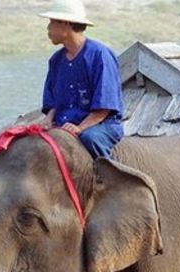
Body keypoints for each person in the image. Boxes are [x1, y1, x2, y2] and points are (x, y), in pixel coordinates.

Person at [39, 0, 125, 159]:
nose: (48, 28)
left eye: (51, 22)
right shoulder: (56, 61)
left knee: (90, 138)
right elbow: (53, 103)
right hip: (64, 123)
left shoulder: (100, 55)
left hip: (100, 124)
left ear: (65, 23)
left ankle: (108, 177)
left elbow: (103, 109)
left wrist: (80, 128)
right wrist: (48, 119)